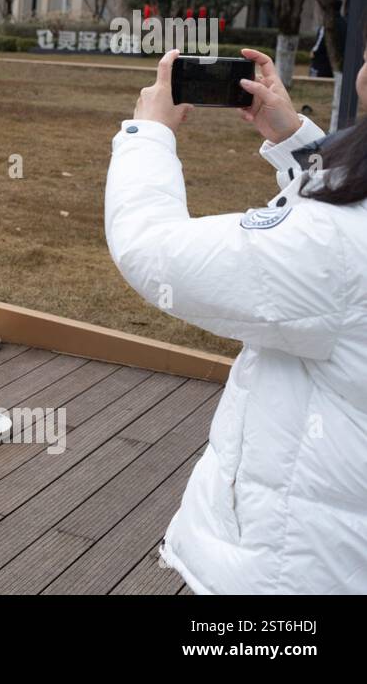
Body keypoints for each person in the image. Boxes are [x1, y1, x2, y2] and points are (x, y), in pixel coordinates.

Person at [104, 46, 367, 594]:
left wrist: (148, 133)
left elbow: (155, 254)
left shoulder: (336, 246)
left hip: (297, 574)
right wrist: (296, 141)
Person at [309, 0, 346, 78]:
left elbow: (318, 45)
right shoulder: (345, 24)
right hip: (337, 66)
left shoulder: (327, 24)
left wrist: (313, 53)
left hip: (321, 64)